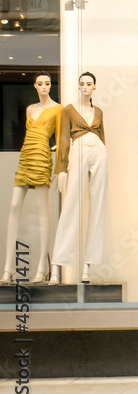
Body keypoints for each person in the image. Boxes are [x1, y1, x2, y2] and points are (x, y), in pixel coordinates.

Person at [3, 72, 61, 286]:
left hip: (42, 158)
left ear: (50, 85)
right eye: (40, 83)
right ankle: (8, 268)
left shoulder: (58, 109)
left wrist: (62, 168)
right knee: (14, 205)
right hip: (26, 156)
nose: (44, 86)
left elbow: (62, 139)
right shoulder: (30, 109)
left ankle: (42, 268)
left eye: (47, 83)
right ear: (35, 86)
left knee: (42, 211)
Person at [51, 72, 107, 285]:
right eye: (82, 83)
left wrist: (103, 152)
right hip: (79, 150)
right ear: (78, 86)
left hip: (99, 152)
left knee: (98, 207)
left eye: (89, 84)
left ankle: (88, 267)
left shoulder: (99, 112)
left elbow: (103, 137)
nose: (85, 87)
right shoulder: (68, 110)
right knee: (70, 206)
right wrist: (62, 168)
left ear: (94, 87)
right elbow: (63, 138)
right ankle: (57, 265)